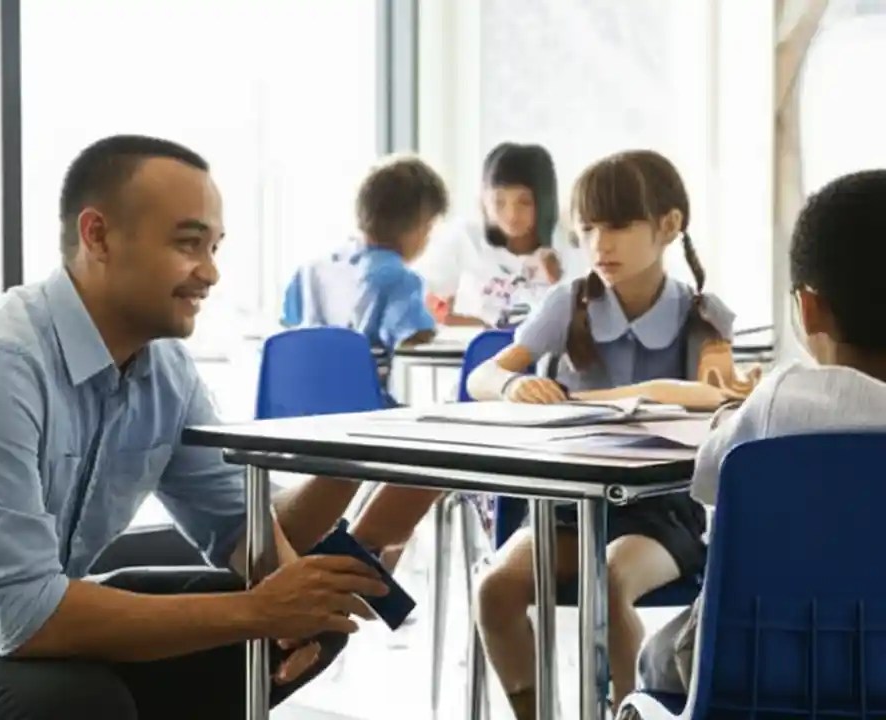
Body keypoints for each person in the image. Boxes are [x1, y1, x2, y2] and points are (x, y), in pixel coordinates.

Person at [0, 135, 384, 720]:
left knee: (310, 614)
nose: (210, 273)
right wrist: (256, 609)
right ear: (99, 236)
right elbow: (29, 615)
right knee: (74, 701)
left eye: (215, 248)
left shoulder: (162, 366)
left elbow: (241, 534)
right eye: (188, 244)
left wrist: (293, 599)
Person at [343, 149, 759, 717]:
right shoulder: (572, 301)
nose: (598, 244)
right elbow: (487, 374)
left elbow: (716, 390)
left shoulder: (702, 312)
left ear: (668, 226)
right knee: (496, 591)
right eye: (586, 228)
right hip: (566, 509)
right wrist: (513, 387)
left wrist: (717, 386)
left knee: (608, 584)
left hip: (659, 517)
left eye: (616, 226)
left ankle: (624, 714)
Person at [630, 169, 886, 706]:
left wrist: (730, 416)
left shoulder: (778, 401)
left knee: (657, 655)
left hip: (761, 677)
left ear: (807, 308)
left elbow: (709, 479)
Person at [281, 154, 449, 351]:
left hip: (305, 381)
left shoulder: (309, 271)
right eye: (429, 228)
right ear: (420, 225)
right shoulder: (401, 281)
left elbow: (287, 332)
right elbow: (413, 340)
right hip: (366, 382)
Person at [419, 142, 582, 328]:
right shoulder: (464, 238)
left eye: (525, 202)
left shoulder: (568, 243)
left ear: (545, 201)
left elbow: (581, 319)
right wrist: (455, 319)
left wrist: (558, 281)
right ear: (484, 200)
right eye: (499, 202)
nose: (511, 215)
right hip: (476, 350)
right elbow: (426, 302)